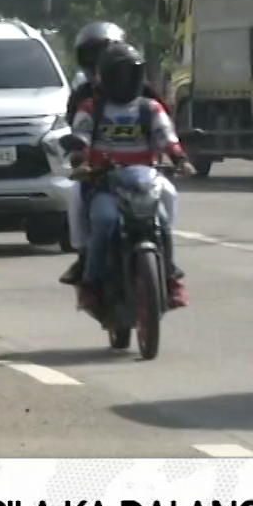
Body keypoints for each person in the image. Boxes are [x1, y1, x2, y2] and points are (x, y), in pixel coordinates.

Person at [65, 42, 187, 310]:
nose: (124, 82)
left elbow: (166, 135)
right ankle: (90, 283)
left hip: (144, 181)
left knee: (164, 213)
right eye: (118, 76)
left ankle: (170, 277)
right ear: (105, 78)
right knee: (105, 221)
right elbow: (81, 137)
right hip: (103, 182)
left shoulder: (150, 108)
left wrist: (179, 158)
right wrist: (78, 157)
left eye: (130, 75)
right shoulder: (91, 108)